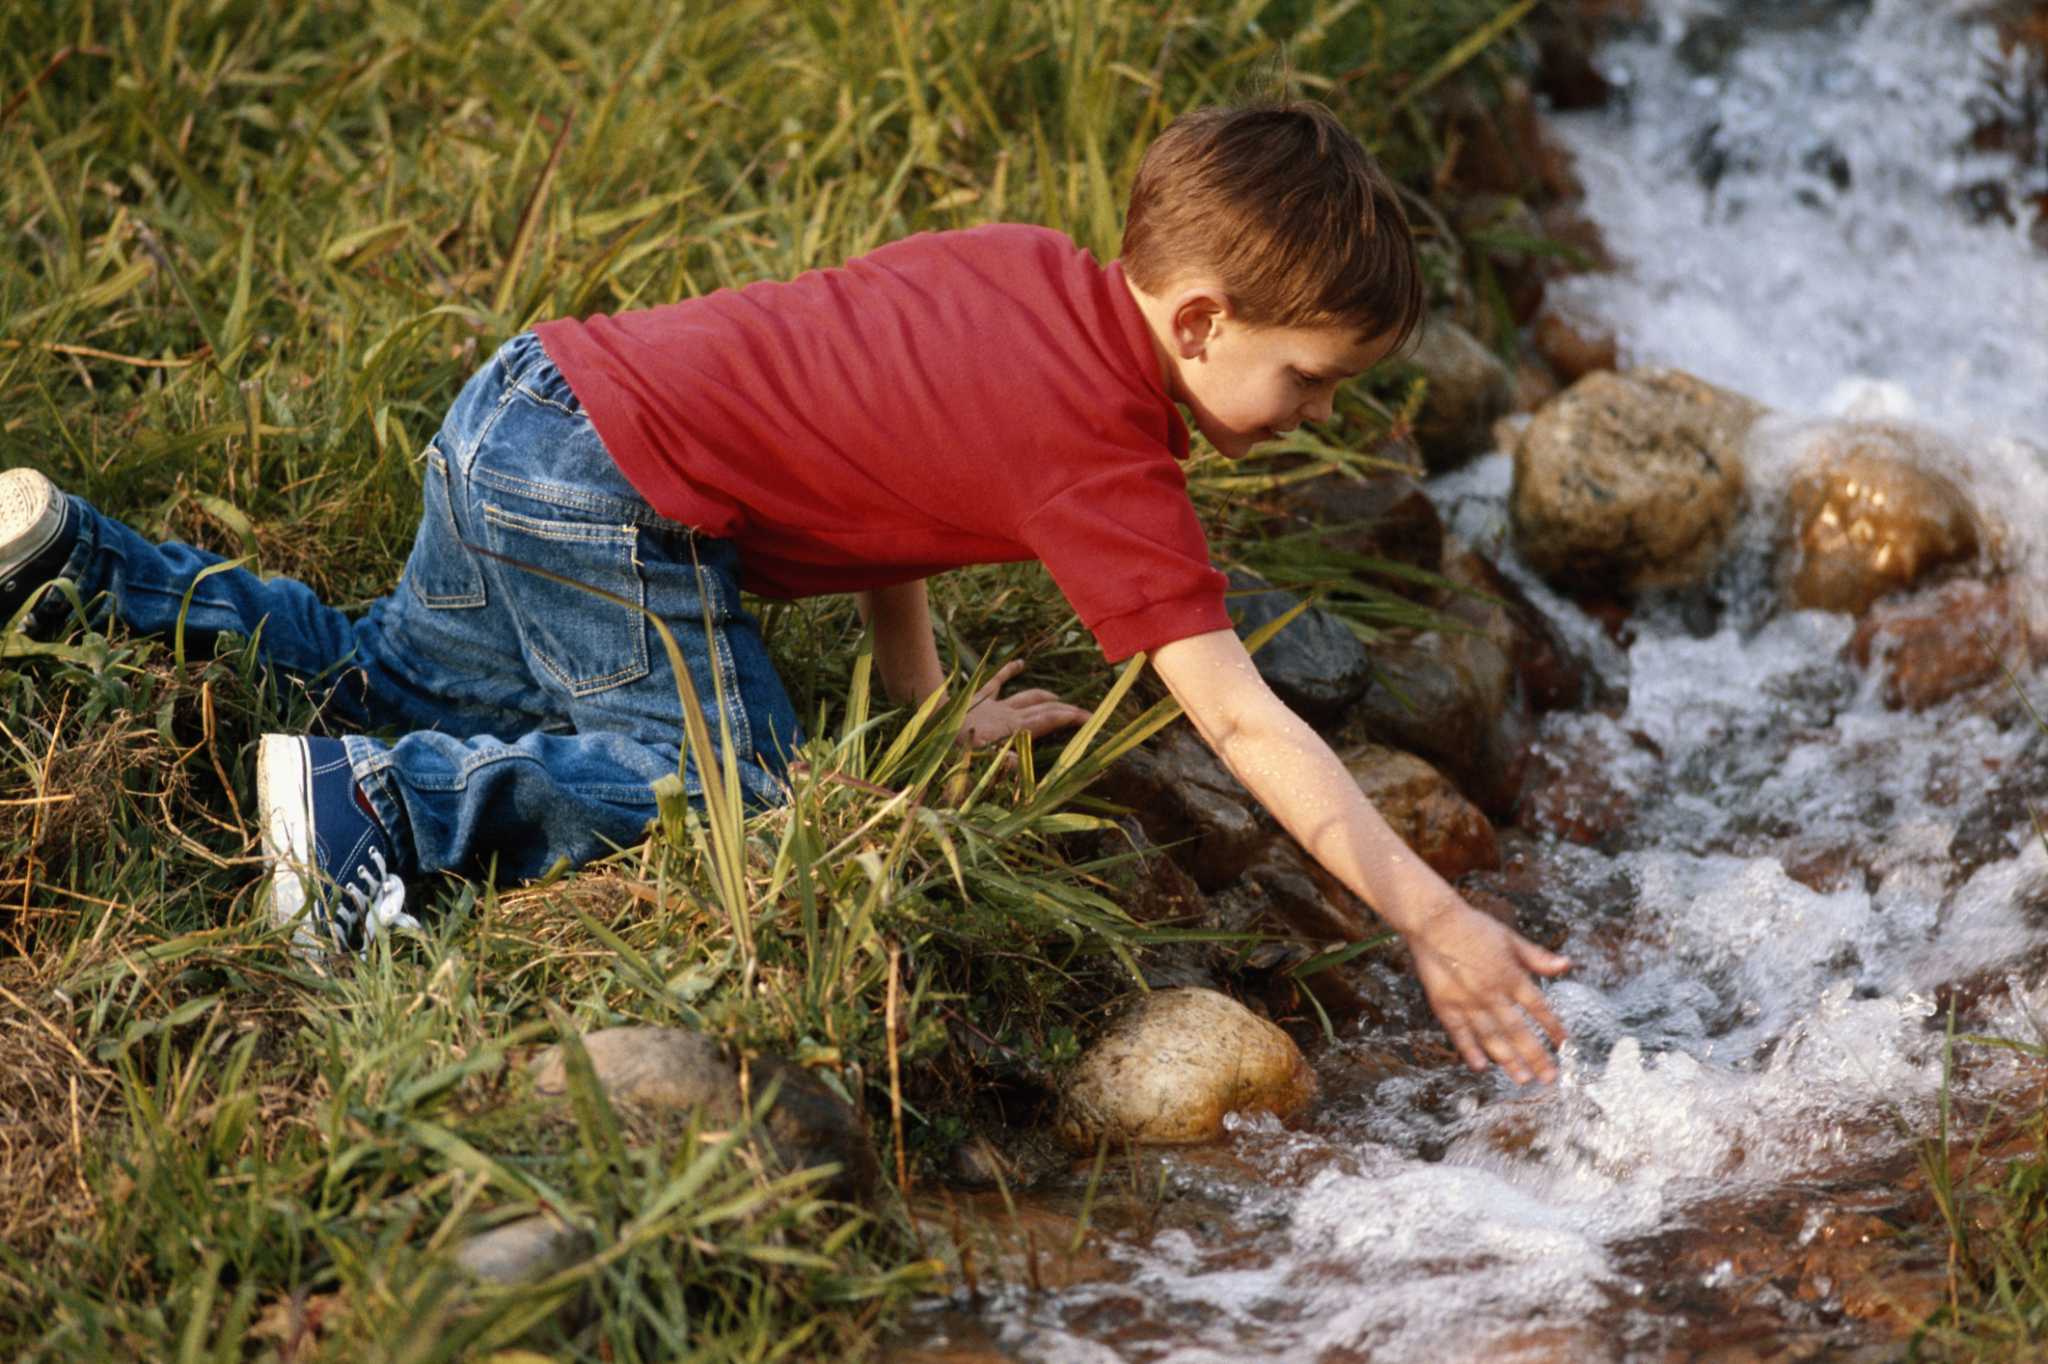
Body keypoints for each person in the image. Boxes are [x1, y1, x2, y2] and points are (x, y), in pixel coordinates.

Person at [0, 101, 1571, 1083]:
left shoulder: (1032, 269)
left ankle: (77, 564)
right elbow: (1240, 718)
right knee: (744, 786)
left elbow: (904, 469)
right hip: (613, 492)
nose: (1314, 413)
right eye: (1308, 380)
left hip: (526, 401)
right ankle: (384, 819)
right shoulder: (1106, 458)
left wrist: (925, 709)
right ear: (1206, 319)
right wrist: (1433, 920)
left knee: (393, 672)